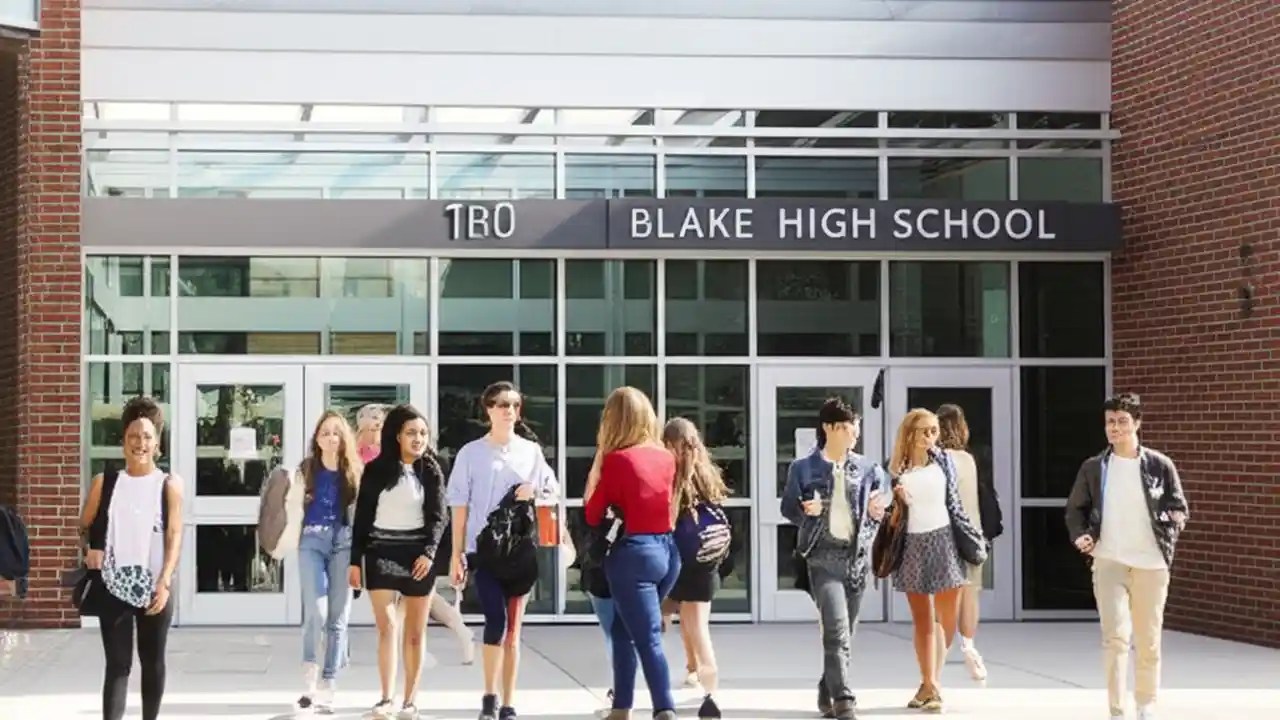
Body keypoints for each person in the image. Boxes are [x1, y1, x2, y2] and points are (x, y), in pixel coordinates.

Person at [1065, 393, 1189, 720]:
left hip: (1151, 564)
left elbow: (1178, 507)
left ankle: (1146, 704)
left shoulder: (1160, 466)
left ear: (1137, 423)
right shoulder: (1094, 468)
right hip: (1109, 562)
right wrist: (1082, 535)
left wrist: (1171, 526)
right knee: (1116, 637)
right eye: (1110, 422)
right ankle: (1117, 710)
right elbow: (1074, 510)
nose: (1115, 428)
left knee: (1148, 639)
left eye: (1122, 421)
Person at [446, 381, 560, 720]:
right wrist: (457, 553)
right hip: (484, 551)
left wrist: (534, 490)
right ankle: (489, 697)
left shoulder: (531, 451)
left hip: (519, 550)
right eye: (499, 404)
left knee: (514, 630)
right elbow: (458, 505)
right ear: (488, 410)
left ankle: (509, 703)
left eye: (512, 404)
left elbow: (551, 489)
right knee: (494, 622)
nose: (507, 410)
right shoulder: (471, 453)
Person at [780, 398, 889, 720]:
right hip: (822, 558)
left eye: (854, 428)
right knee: (836, 630)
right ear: (828, 428)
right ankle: (843, 698)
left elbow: (884, 502)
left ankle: (826, 688)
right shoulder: (803, 468)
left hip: (856, 559)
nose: (852, 434)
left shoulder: (868, 469)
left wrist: (878, 508)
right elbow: (787, 508)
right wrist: (803, 510)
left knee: (846, 635)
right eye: (844, 427)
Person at [79, 396, 184, 720]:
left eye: (147, 437)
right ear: (124, 441)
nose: (140, 443)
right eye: (133, 436)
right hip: (112, 583)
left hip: (155, 585)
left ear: (157, 444)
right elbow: (84, 526)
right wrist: (90, 549)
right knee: (118, 665)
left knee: (152, 661)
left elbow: (174, 535)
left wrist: (164, 581)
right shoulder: (105, 482)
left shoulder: (169, 484)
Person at [584, 387, 681, 720]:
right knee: (624, 632)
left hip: (633, 555)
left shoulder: (617, 460)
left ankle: (664, 707)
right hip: (667, 552)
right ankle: (621, 706)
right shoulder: (667, 456)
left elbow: (593, 513)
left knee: (648, 638)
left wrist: (597, 472)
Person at [349, 404, 449, 720]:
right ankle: (385, 698)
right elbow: (362, 517)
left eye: (422, 433)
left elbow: (438, 517)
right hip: (380, 552)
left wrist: (429, 553)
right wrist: (355, 561)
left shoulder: (431, 470)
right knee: (387, 626)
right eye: (411, 433)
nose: (418, 438)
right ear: (397, 435)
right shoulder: (377, 470)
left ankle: (410, 701)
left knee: (416, 633)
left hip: (418, 556)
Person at [889, 408, 985, 714]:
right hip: (913, 545)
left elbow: (955, 503)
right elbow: (888, 518)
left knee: (947, 621)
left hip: (944, 540)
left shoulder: (944, 461)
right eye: (925, 431)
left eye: (934, 431)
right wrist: (897, 502)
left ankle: (931, 684)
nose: (931, 436)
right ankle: (929, 683)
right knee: (923, 622)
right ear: (910, 434)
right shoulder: (895, 469)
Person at [663, 417, 733, 720]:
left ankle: (706, 687)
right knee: (694, 625)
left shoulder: (670, 475)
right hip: (705, 562)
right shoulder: (707, 472)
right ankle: (703, 681)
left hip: (678, 561)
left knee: (671, 618)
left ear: (668, 444)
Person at [295, 410, 362, 712]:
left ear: (344, 438)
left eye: (336, 432)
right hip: (311, 541)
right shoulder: (307, 469)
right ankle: (309, 677)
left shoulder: (354, 472)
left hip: (344, 544)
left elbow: (362, 517)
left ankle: (328, 682)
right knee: (316, 612)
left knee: (338, 617)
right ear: (317, 438)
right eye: (325, 432)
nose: (331, 437)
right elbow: (290, 505)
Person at [934, 403, 989, 683]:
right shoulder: (968, 459)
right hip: (971, 535)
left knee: (944, 600)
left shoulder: (936, 460)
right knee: (970, 593)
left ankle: (938, 658)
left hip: (943, 536)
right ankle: (969, 646)